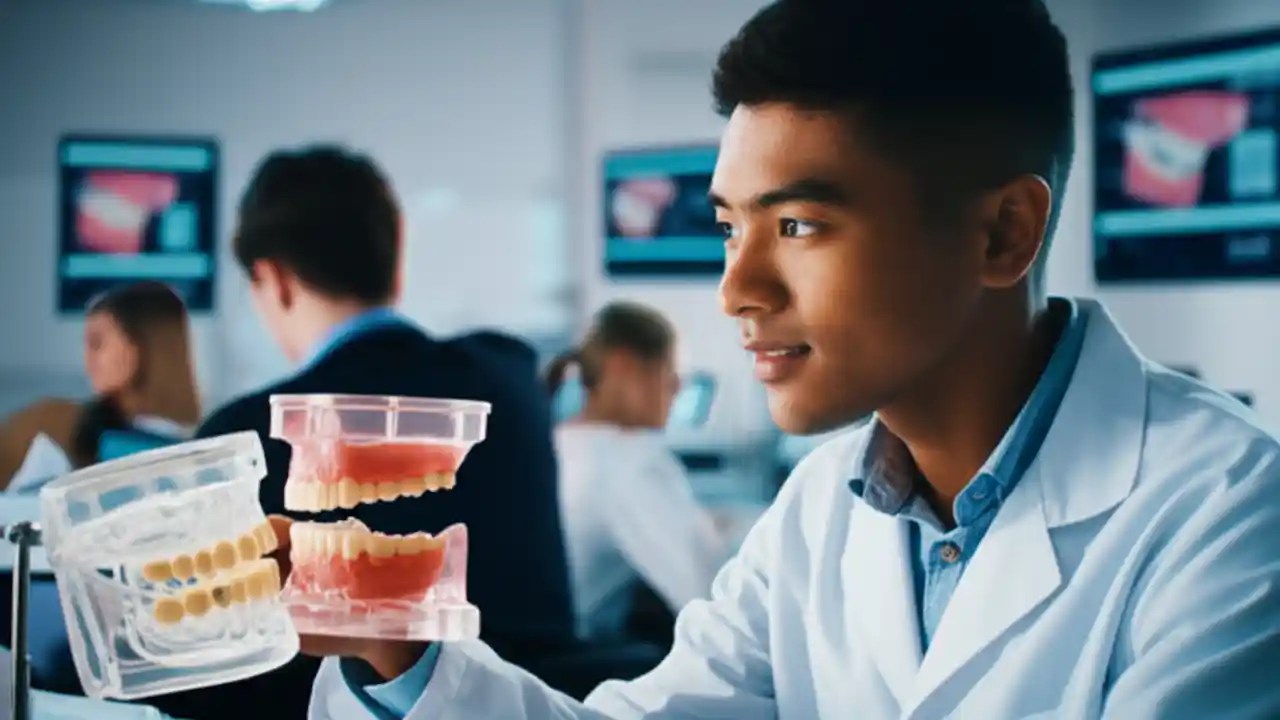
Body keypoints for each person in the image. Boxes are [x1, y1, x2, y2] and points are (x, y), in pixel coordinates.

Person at [299, 1, 1280, 717]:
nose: (736, 290)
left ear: (1000, 234)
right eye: (731, 227)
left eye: (799, 224)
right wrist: (401, 649)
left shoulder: (1229, 516)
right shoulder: (820, 510)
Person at [147, 146, 575, 720]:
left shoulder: (241, 439)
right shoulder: (512, 382)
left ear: (274, 281)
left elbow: (200, 677)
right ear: (395, 261)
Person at [545, 302, 729, 641]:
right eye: (671, 372)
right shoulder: (629, 457)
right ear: (624, 366)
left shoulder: (556, 444)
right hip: (574, 657)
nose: (677, 389)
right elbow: (703, 597)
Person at [0, 281, 200, 485]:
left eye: (97, 344)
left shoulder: (200, 446)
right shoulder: (60, 425)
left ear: (138, 347)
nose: (88, 358)